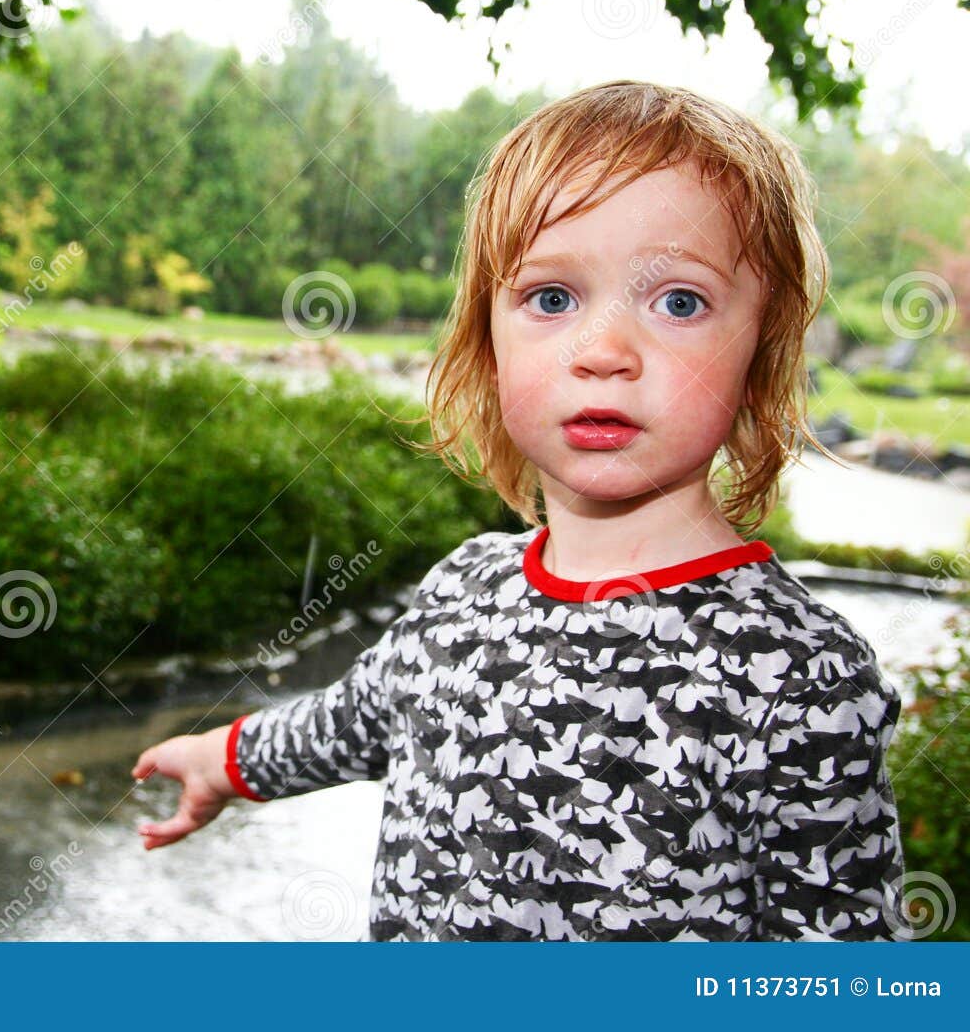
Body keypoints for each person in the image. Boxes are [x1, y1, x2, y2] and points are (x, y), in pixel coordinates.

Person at [128, 79, 909, 942]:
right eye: (552, 298)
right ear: (488, 342)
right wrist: (224, 759)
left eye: (679, 302)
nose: (604, 350)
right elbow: (353, 718)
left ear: (760, 355)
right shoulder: (461, 589)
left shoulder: (800, 676)